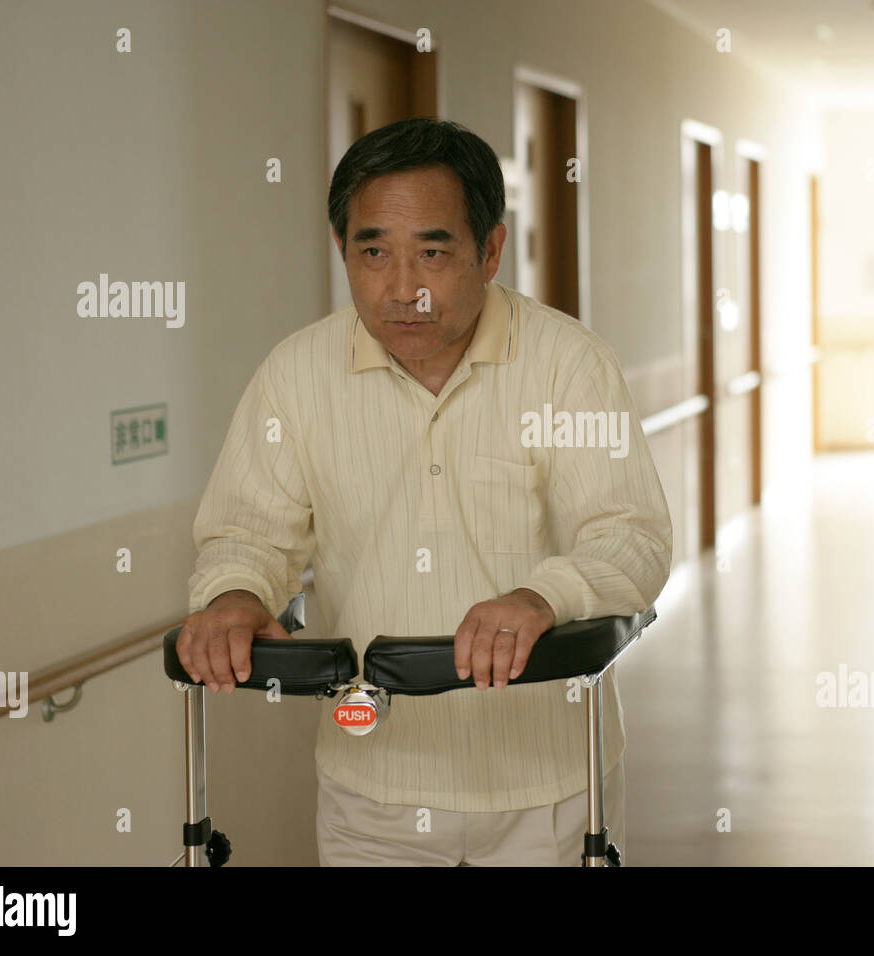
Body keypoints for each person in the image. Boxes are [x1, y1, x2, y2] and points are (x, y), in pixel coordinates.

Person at [176, 117, 672, 865]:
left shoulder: (569, 366)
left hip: (549, 786)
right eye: (373, 252)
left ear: (491, 250)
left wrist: (544, 597)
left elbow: (630, 533)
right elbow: (248, 534)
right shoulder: (296, 375)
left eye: (432, 252)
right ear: (343, 250)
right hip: (373, 785)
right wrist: (237, 595)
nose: (401, 287)